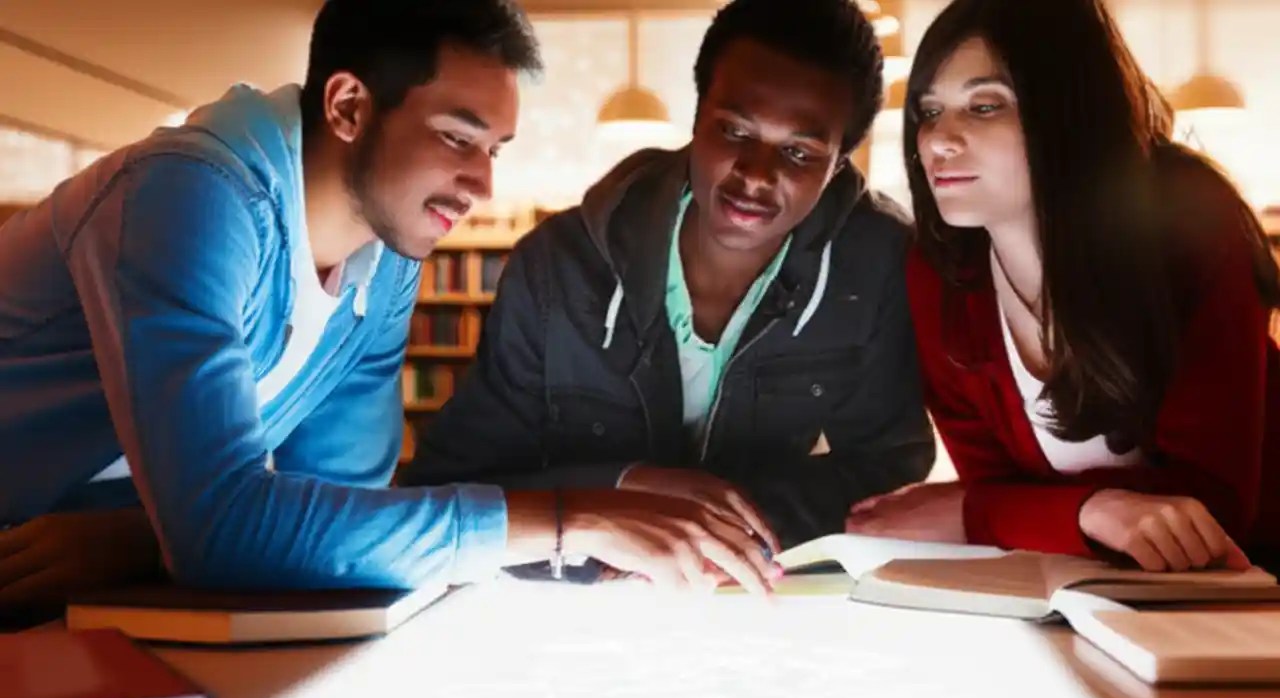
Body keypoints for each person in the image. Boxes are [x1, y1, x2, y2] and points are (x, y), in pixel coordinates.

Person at [0, 0, 776, 622]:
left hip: (79, 599)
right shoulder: (191, 194)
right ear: (347, 106)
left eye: (494, 150)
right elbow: (224, 532)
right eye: (457, 138)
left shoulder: (388, 258)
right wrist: (571, 519)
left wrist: (148, 535)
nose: (482, 185)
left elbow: (335, 507)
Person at [406, 0, 935, 554]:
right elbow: (452, 487)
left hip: (760, 586)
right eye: (734, 130)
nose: (756, 175)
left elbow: (888, 475)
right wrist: (622, 493)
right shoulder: (557, 268)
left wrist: (726, 523)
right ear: (697, 118)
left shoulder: (875, 267)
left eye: (799, 153)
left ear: (839, 163)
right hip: (581, 586)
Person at [845, 0, 1280, 573]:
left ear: (1065, 110)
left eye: (984, 106)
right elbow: (998, 501)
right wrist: (1090, 512)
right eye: (929, 112)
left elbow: (1210, 510)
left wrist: (978, 512)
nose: (938, 141)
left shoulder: (1188, 221)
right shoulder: (938, 275)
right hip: (1087, 593)